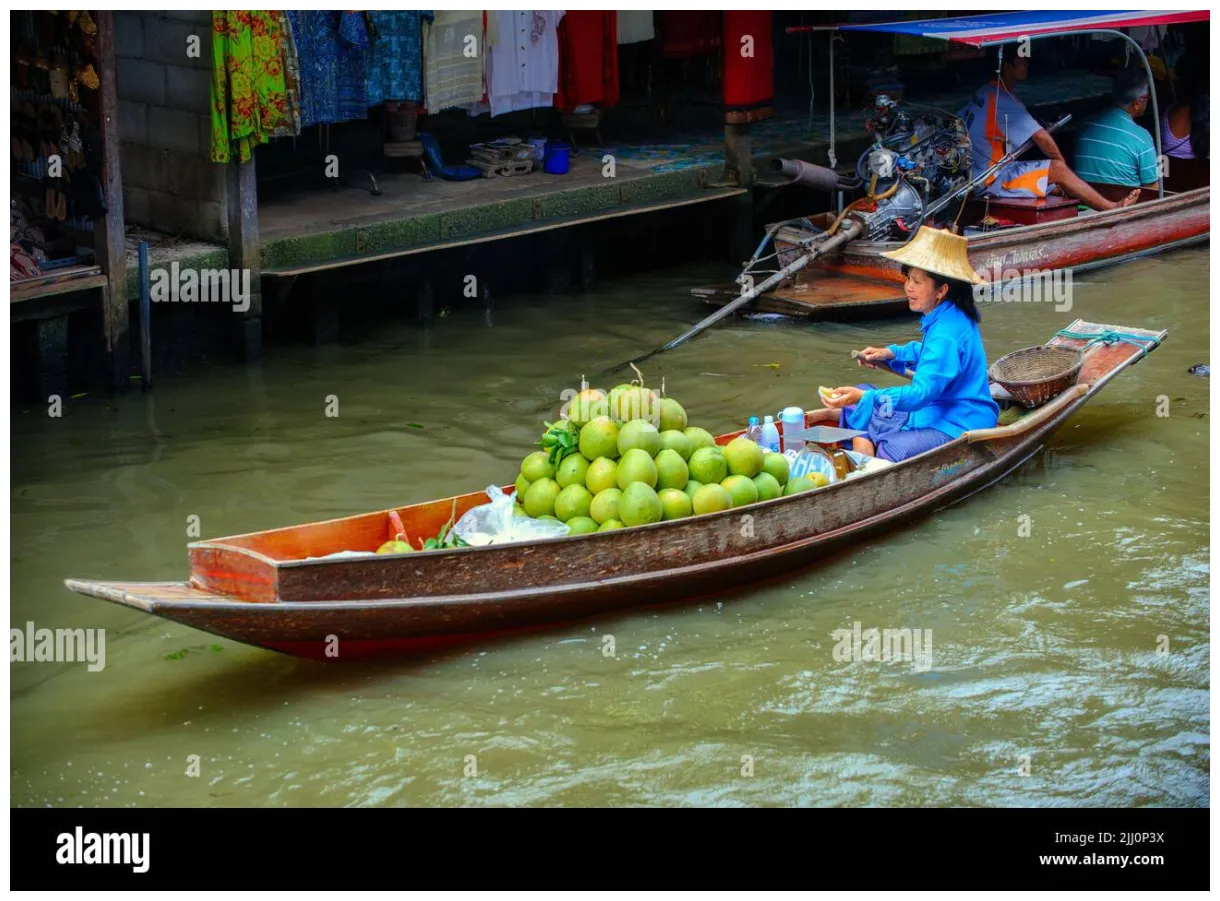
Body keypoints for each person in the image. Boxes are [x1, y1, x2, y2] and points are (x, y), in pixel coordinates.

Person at [819, 226, 999, 462]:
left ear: (942, 290)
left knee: (891, 447)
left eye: (917, 282)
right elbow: (927, 353)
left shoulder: (946, 332)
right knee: (860, 395)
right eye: (908, 279)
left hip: (957, 421)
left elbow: (921, 394)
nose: (908, 287)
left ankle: (868, 459)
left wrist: (867, 400)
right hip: (933, 411)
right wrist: (891, 353)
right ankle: (866, 456)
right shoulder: (949, 314)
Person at [957, 54, 1139, 210]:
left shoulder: (984, 92)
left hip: (981, 174)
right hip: (991, 180)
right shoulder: (1003, 100)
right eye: (1022, 62)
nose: (1027, 64)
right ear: (1007, 67)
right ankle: (1112, 208)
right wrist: (1062, 166)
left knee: (1057, 184)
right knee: (1058, 170)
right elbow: (1041, 137)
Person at [1074, 69, 1159, 189]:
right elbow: (1152, 188)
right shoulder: (1141, 137)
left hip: (1085, 202)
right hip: (1126, 204)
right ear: (1137, 103)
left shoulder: (1084, 125)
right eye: (1147, 97)